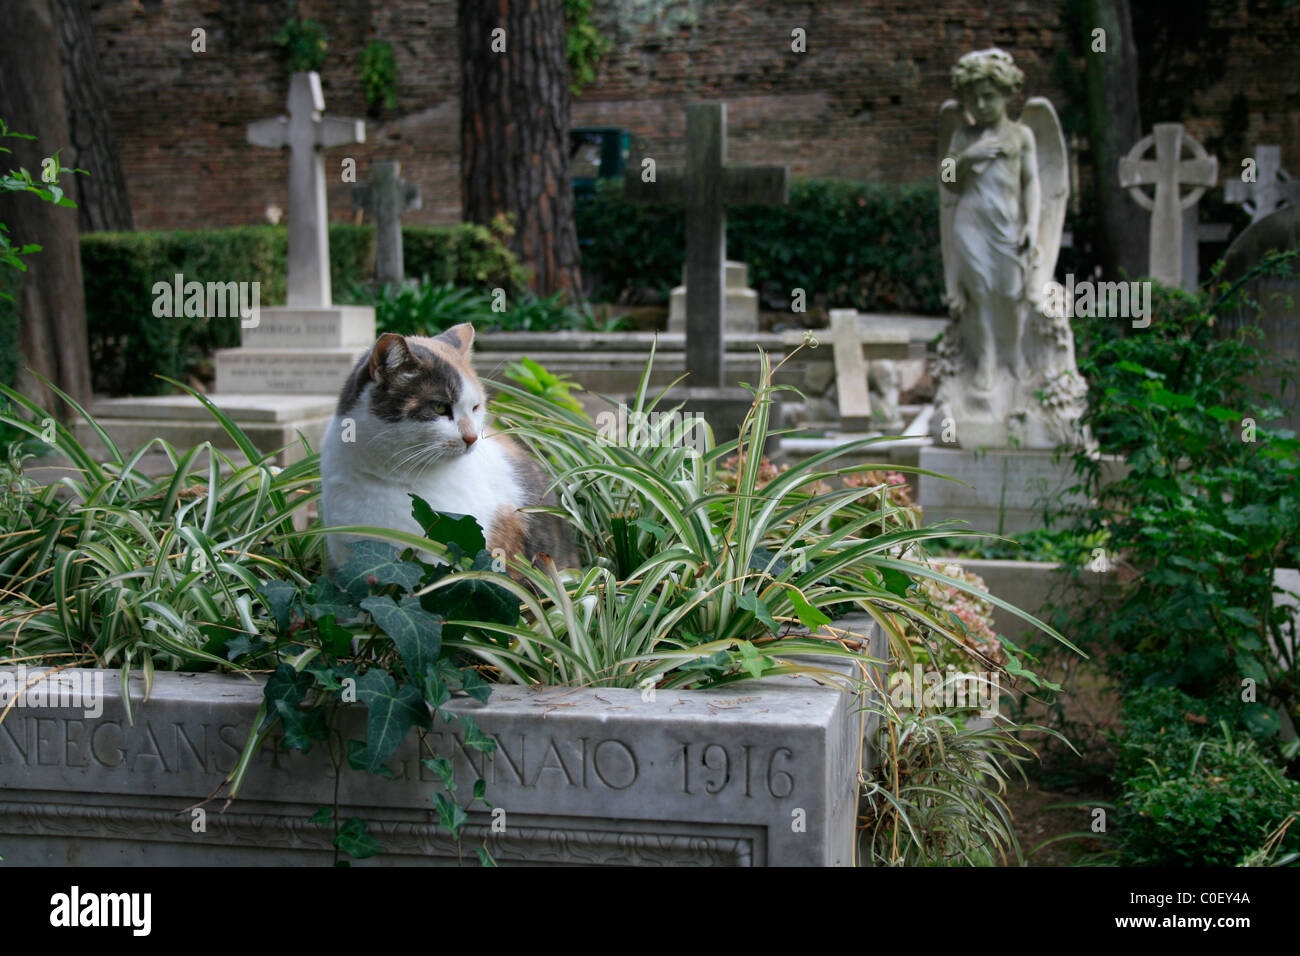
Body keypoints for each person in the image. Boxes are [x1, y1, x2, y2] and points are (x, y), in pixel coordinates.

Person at [942, 49, 1041, 391]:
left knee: (1012, 292)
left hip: (1008, 225)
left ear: (1006, 95)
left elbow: (1031, 182)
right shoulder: (963, 138)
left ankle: (1014, 354)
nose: (980, 105)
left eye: (989, 97)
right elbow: (946, 179)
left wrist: (1032, 225)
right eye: (973, 99)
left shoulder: (1020, 136)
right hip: (970, 224)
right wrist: (968, 158)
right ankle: (985, 359)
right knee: (981, 293)